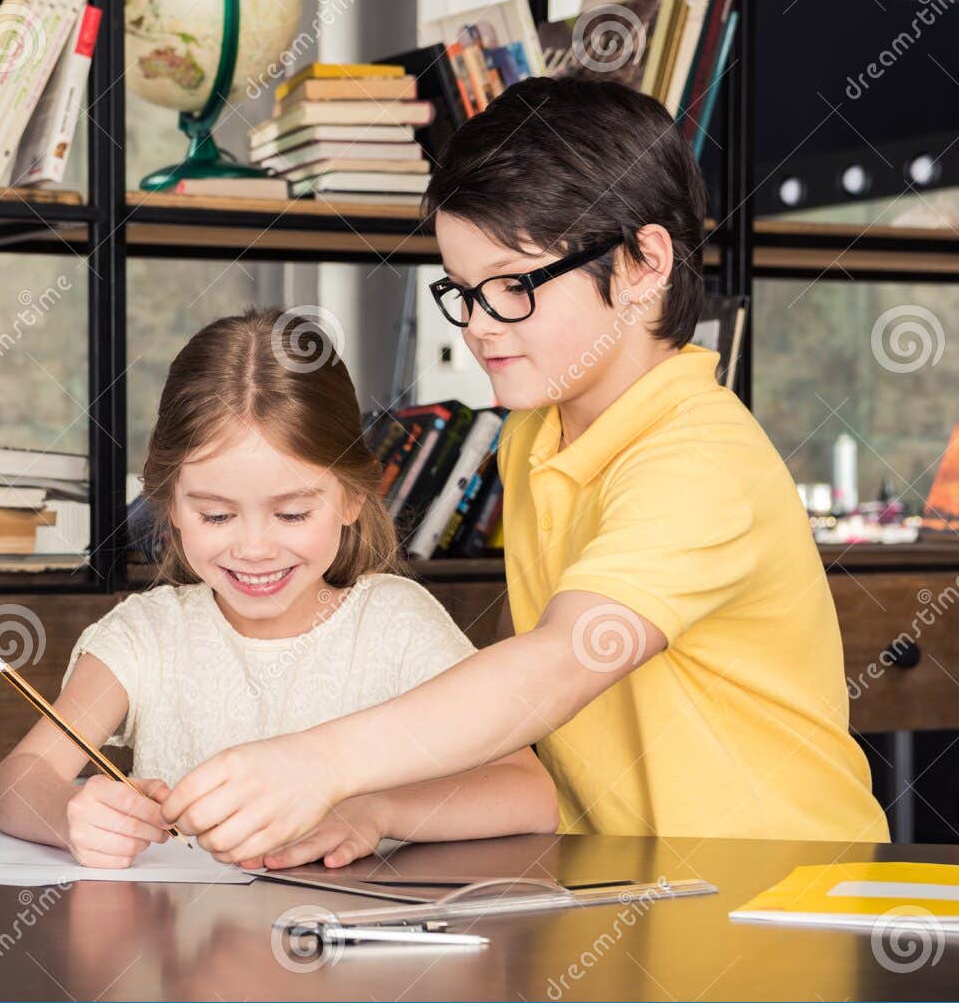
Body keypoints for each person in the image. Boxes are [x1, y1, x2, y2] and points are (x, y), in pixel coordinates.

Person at [161, 77, 889, 862]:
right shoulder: (535, 434)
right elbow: (524, 702)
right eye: (462, 291)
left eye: (513, 286)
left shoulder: (698, 458)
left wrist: (319, 762)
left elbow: (556, 664)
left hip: (777, 898)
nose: (476, 327)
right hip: (628, 887)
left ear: (644, 263)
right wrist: (378, 810)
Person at [0, 307, 557, 869]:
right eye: (216, 516)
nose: (254, 549)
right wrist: (69, 815)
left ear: (353, 497)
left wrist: (376, 812)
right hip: (186, 950)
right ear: (171, 507)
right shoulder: (148, 634)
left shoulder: (395, 624)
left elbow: (527, 793)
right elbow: (19, 779)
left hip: (354, 951)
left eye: (291, 515)